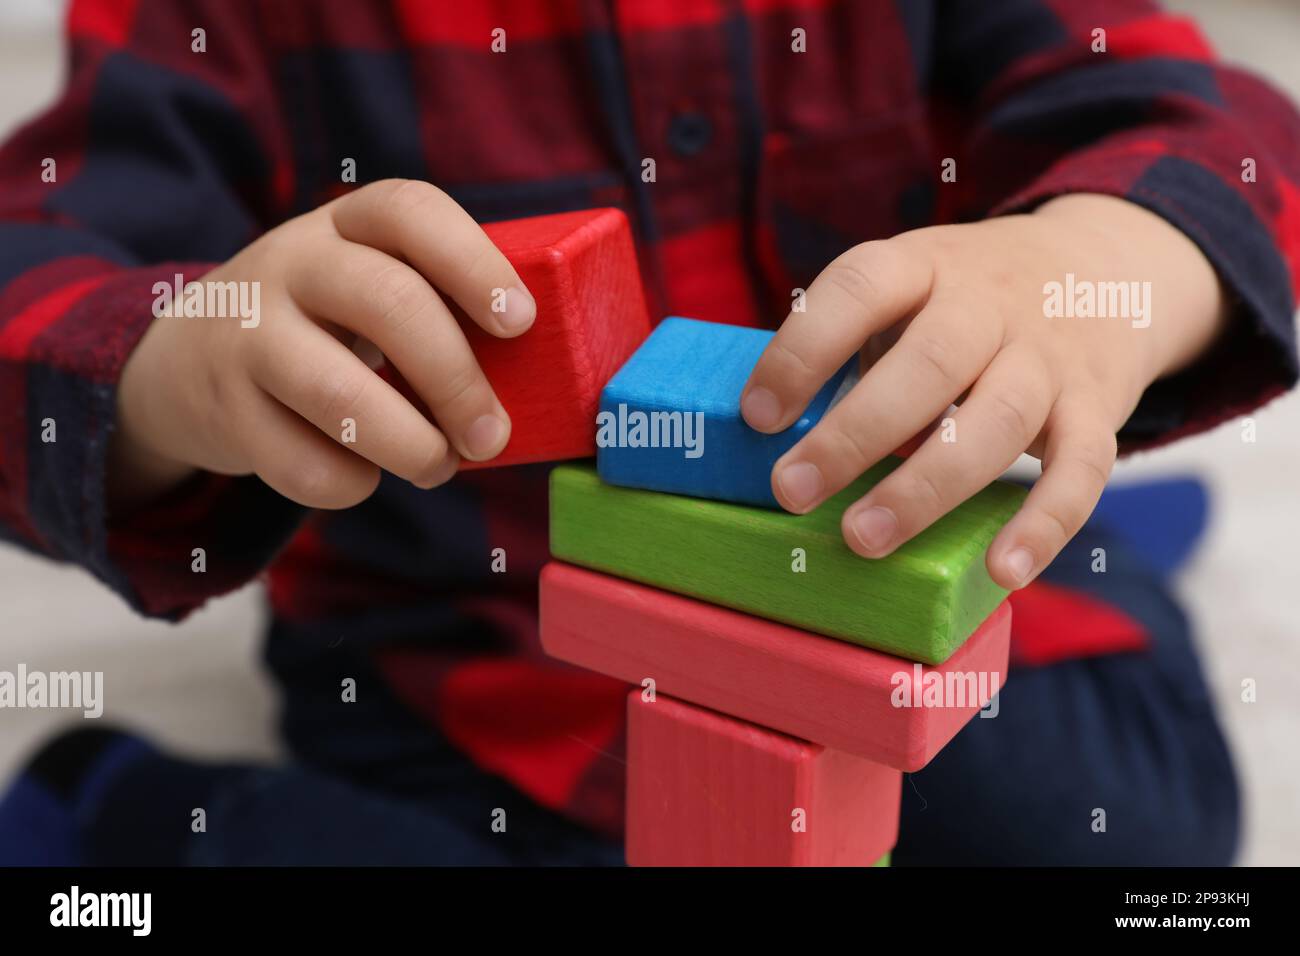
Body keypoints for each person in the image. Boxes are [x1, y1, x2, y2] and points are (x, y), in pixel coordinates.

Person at [0, 0, 1295, 865]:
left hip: (877, 570)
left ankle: (1080, 525)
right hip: (470, 666)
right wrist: (179, 352)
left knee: (1137, 838)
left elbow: (1235, 141)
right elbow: (33, 268)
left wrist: (1095, 266)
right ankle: (119, 808)